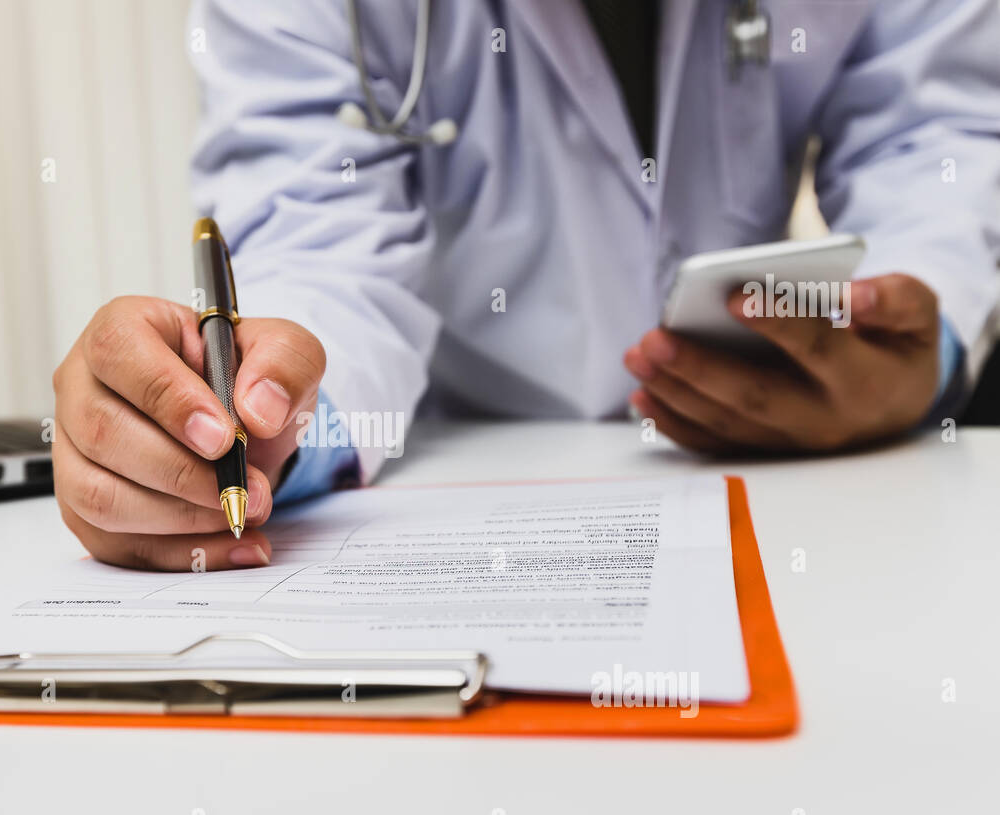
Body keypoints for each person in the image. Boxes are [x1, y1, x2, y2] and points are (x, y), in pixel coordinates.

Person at [49, 0, 1000, 570]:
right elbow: (315, 227)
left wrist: (915, 340)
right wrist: (267, 420)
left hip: (795, 487)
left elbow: (935, 134)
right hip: (463, 463)